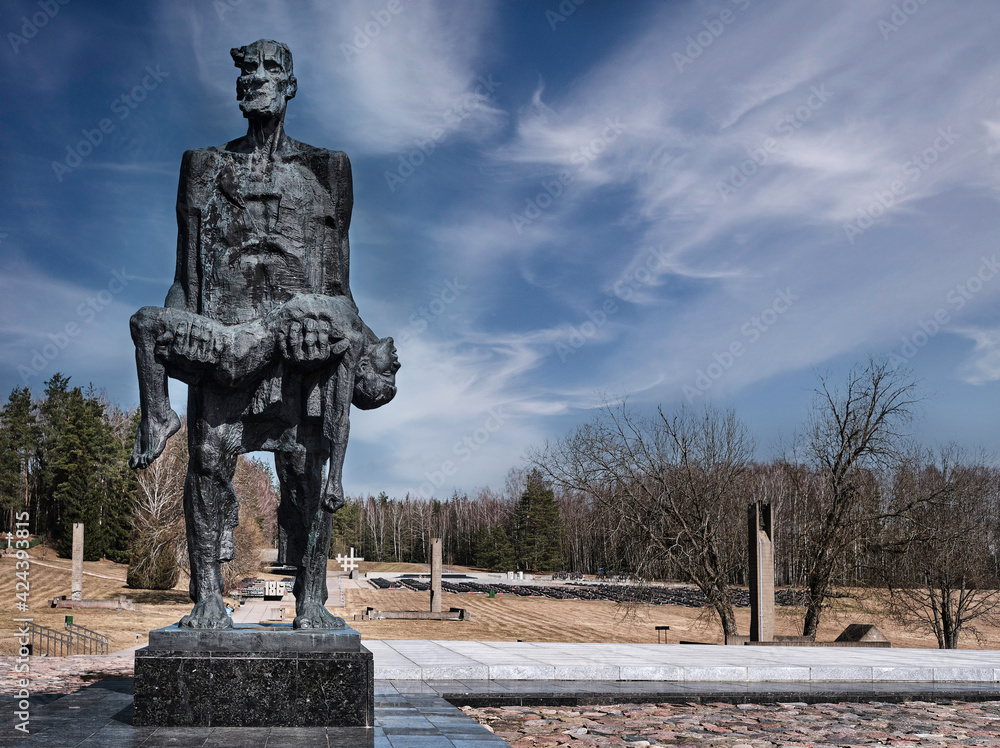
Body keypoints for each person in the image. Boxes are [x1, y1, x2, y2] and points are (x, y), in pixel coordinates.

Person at [129, 39, 398, 630]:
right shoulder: (203, 166)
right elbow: (185, 279)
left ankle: (312, 601)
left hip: (302, 353)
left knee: (307, 471)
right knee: (207, 461)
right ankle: (206, 598)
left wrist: (363, 350)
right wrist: (184, 340)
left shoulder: (329, 169)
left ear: (290, 85)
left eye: (270, 68)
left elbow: (341, 284)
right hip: (226, 341)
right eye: (247, 70)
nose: (255, 78)